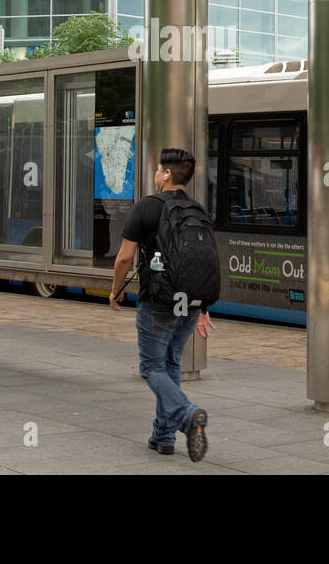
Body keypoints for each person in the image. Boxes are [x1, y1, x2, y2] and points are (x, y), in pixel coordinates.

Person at [110, 147, 214, 462]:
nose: (156, 174)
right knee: (170, 364)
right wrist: (203, 307)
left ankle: (186, 415)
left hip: (157, 301)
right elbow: (202, 261)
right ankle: (163, 436)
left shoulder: (146, 207)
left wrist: (114, 291)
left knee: (151, 366)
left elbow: (125, 258)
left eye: (158, 169)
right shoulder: (198, 210)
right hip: (190, 304)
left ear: (166, 174)